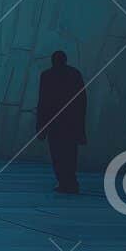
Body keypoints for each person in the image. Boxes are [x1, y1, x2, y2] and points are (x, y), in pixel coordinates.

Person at [35, 51, 87, 194]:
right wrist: (81, 125)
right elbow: (82, 100)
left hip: (54, 123)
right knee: (70, 153)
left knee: (57, 153)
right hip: (71, 122)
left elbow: (43, 102)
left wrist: (41, 127)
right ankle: (71, 181)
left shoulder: (47, 76)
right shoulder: (75, 74)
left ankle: (63, 181)